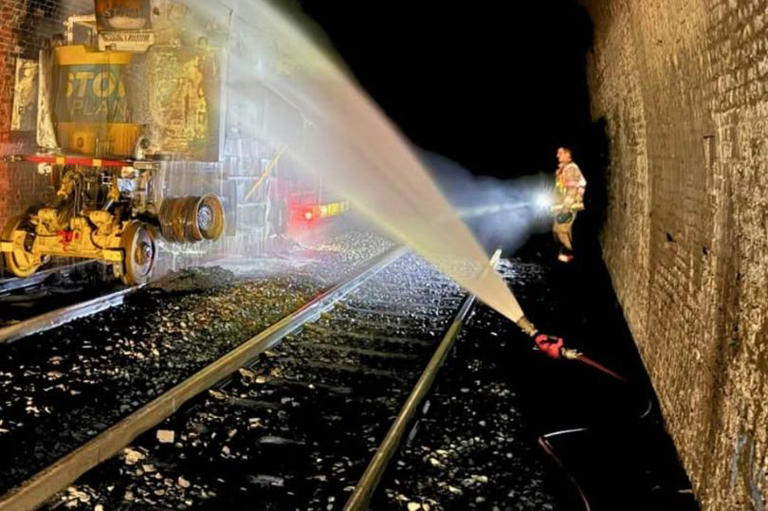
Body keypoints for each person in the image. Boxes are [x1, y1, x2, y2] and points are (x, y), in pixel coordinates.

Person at [551, 147, 586, 262]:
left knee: (562, 229)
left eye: (560, 153)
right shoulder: (563, 169)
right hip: (564, 206)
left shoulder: (571, 169)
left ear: (568, 155)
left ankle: (571, 257)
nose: (558, 156)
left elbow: (572, 190)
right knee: (558, 229)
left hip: (570, 206)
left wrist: (565, 208)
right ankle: (566, 255)